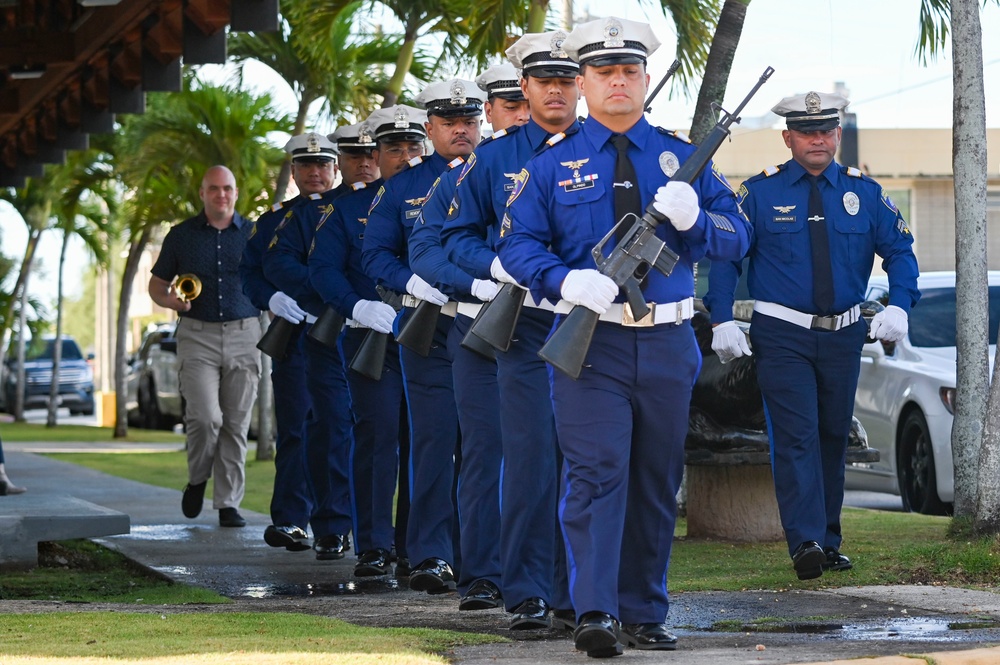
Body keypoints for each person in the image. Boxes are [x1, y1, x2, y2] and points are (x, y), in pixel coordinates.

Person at [497, 16, 751, 657]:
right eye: (604, 72)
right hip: (591, 344)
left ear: (644, 81)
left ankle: (644, 611)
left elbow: (738, 234)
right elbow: (517, 243)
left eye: (628, 71)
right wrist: (562, 281)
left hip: (668, 343)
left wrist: (698, 222)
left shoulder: (677, 156)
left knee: (655, 478)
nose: (617, 81)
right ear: (583, 82)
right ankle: (596, 612)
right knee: (594, 474)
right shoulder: (554, 164)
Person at [705, 91, 920, 581]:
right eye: (807, 131)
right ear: (789, 138)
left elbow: (901, 252)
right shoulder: (759, 194)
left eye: (826, 130)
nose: (818, 139)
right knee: (796, 435)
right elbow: (725, 258)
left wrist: (901, 306)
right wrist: (719, 317)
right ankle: (804, 541)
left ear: (838, 135)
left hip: (844, 334)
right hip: (782, 334)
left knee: (830, 435)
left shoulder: (864, 194)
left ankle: (827, 538)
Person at [440, 33, 581, 631]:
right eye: (542, 80)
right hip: (523, 324)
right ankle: (526, 591)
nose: (555, 89)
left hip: (594, 326)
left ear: (581, 85)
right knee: (527, 462)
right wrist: (495, 266)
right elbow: (455, 236)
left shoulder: (606, 149)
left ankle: (581, 593)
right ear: (524, 89)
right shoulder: (493, 159)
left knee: (587, 465)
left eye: (565, 79)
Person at [407, 61, 529, 614]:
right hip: (479, 322)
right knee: (485, 451)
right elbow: (427, 248)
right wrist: (479, 280)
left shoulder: (577, 166)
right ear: (494, 111)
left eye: (521, 105)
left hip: (552, 319)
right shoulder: (460, 176)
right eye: (508, 106)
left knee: (546, 453)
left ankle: (546, 574)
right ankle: (483, 571)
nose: (518, 116)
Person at [362, 78, 485, 595]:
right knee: (434, 443)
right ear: (429, 128)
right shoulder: (402, 186)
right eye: (449, 122)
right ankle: (432, 555)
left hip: (486, 322)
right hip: (428, 324)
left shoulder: (501, 171)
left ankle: (480, 560)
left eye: (469, 121)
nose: (461, 130)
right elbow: (374, 254)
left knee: (484, 446)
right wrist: (410, 281)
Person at [309, 107, 426, 578]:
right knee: (377, 438)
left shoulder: (445, 197)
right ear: (376, 155)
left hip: (430, 333)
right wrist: (357, 308)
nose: (404, 157)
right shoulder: (349, 207)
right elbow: (324, 271)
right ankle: (374, 544)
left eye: (412, 147)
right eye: (393, 149)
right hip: (370, 335)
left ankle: (417, 544)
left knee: (425, 442)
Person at [263, 122, 380, 561]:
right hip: (330, 328)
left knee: (388, 434)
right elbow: (278, 262)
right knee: (330, 426)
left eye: (372, 154)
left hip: (387, 326)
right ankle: (332, 525)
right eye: (354, 156)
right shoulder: (311, 213)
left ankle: (398, 540)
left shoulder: (398, 200)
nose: (365, 163)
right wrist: (330, 292)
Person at [149, 165, 262, 528]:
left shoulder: (254, 234)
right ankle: (197, 478)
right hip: (197, 335)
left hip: (246, 333)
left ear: (236, 192)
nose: (221, 195)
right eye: (214, 189)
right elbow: (156, 285)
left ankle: (228, 503)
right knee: (204, 417)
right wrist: (171, 303)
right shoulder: (180, 236)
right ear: (202, 193)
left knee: (236, 423)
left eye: (227, 188)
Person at [240, 132, 337, 552]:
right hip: (295, 333)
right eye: (306, 166)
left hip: (340, 328)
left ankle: (335, 523)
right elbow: (250, 273)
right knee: (296, 426)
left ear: (335, 169)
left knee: (338, 428)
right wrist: (271, 298)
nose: (315, 173)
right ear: (294, 171)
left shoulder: (353, 211)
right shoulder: (274, 220)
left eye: (323, 165)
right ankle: (291, 518)